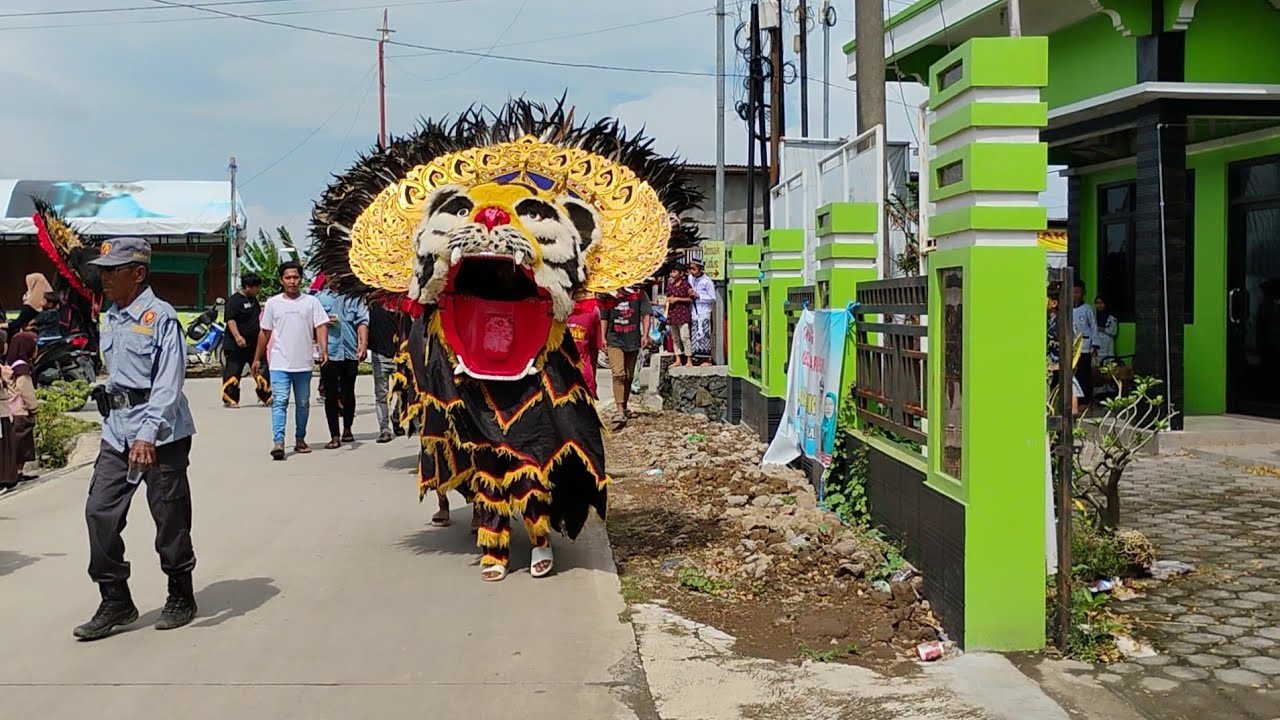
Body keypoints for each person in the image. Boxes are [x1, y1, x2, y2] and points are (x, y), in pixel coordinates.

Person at [74, 237, 198, 640]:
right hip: (118, 431)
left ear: (138, 273)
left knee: (170, 517)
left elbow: (168, 383)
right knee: (100, 512)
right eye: (103, 270)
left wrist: (147, 434)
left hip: (161, 433)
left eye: (113, 271)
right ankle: (116, 599)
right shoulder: (111, 315)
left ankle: (180, 593)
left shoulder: (160, 317)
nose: (104, 277)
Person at [253, 262, 329, 461]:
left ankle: (300, 438)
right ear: (281, 280)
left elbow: (321, 326)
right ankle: (278, 442)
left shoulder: (311, 302)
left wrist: (323, 349)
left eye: (295, 277)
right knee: (279, 401)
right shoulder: (273, 303)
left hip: (303, 363)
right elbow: (265, 332)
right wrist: (257, 358)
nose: (292, 281)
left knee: (303, 403)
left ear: (301, 279)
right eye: (288, 278)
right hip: (279, 362)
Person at [315, 278, 369, 448]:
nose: (337, 279)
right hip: (329, 353)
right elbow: (313, 324)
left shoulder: (355, 297)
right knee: (330, 394)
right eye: (333, 275)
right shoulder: (319, 298)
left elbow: (362, 321)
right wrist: (324, 322)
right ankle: (334, 435)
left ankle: (347, 428)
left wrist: (363, 344)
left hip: (350, 351)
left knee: (348, 392)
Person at [601, 285, 651, 430]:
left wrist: (645, 334)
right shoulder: (609, 294)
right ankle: (619, 410)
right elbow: (604, 317)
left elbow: (646, 314)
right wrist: (603, 337)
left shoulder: (640, 294)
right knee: (618, 374)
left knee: (628, 375)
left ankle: (624, 406)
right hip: (614, 339)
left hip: (633, 339)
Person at [221, 274, 270, 408]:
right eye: (256, 287)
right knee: (233, 371)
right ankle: (230, 398)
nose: (258, 290)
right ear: (248, 287)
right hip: (236, 344)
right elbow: (230, 319)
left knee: (261, 368)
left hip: (254, 343)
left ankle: (266, 396)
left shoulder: (254, 300)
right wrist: (237, 336)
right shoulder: (234, 301)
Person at [5, 331, 39, 481]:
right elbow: (26, 391)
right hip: (20, 411)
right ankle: (17, 473)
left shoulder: (10, 364)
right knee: (22, 445)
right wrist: (34, 408)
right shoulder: (22, 368)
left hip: (10, 410)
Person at [368, 301, 400, 444]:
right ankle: (384, 429)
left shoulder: (402, 303)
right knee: (381, 394)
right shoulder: (372, 304)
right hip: (380, 354)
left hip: (400, 355)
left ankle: (397, 416)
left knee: (404, 392)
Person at [566, 292, 603, 398]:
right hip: (583, 375)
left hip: (563, 377)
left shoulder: (555, 310)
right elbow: (594, 351)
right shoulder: (594, 310)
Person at [1071, 280, 1096, 403]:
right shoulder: (1067, 309)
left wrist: (1094, 344)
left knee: (1084, 374)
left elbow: (1093, 327)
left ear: (1083, 293)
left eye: (1077, 292)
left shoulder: (1088, 309)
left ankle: (1086, 400)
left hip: (1085, 347)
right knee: (1073, 374)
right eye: (1073, 292)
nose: (1075, 295)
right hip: (1071, 347)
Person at [688, 259, 717, 364]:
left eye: (694, 269)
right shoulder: (690, 278)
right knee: (694, 334)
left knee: (704, 334)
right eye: (690, 269)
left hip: (704, 310)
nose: (692, 271)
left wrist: (699, 296)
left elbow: (713, 298)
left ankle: (705, 358)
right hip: (693, 311)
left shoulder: (707, 281)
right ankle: (696, 357)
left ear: (700, 270)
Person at [664, 265, 694, 366]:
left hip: (683, 314)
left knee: (685, 337)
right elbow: (668, 297)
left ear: (681, 273)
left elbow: (690, 299)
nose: (672, 274)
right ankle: (678, 359)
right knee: (675, 338)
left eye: (674, 272)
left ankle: (689, 359)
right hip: (673, 314)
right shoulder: (670, 286)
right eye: (672, 272)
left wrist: (678, 299)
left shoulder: (686, 285)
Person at [1093, 295, 1118, 365]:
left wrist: (1100, 328)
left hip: (1107, 344)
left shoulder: (1111, 317)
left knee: (1108, 364)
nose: (1099, 305)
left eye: (1101, 303)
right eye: (1097, 303)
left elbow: (1113, 332)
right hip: (1097, 346)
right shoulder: (1093, 316)